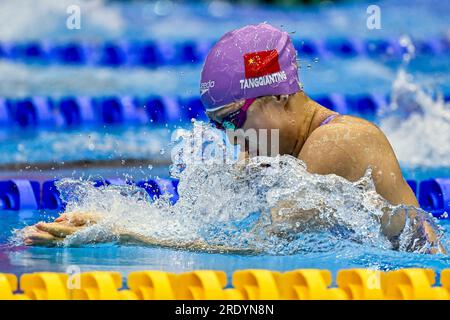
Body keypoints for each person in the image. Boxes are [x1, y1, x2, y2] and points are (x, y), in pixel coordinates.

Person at [21, 23, 444, 253]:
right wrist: (110, 214)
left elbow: (261, 246)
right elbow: (207, 225)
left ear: (278, 95)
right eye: (220, 127)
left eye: (234, 120)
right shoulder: (272, 151)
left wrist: (122, 232)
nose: (233, 138)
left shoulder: (339, 144)